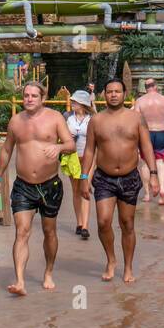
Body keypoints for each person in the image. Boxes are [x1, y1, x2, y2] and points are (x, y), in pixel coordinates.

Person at [0, 82, 76, 296]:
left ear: (42, 98)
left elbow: (70, 144)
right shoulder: (15, 121)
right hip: (23, 185)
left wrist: (58, 147)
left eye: (33, 96)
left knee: (49, 231)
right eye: (26, 95)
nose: (28, 99)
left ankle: (48, 272)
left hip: (50, 185)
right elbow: (6, 150)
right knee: (22, 231)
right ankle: (20, 280)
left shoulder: (55, 118)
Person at [80, 78, 159, 283]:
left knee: (127, 223)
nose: (113, 94)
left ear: (125, 94)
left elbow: (147, 147)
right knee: (103, 221)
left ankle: (129, 266)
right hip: (104, 178)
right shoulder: (96, 121)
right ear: (103, 95)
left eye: (117, 91)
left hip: (129, 177)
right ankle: (111, 259)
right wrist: (83, 176)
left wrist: (153, 174)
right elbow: (89, 150)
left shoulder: (136, 118)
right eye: (109, 91)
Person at [135, 77, 164, 205]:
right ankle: (162, 189)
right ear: (156, 86)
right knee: (161, 163)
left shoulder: (140, 101)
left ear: (145, 88)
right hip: (162, 133)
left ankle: (147, 193)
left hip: (146, 134)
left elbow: (135, 120)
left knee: (146, 163)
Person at [64, 88, 95, 238]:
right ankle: (79, 222)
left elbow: (97, 142)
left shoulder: (92, 119)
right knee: (76, 190)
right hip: (73, 158)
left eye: (75, 102)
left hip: (87, 159)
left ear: (82, 104)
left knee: (85, 189)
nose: (72, 104)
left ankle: (86, 226)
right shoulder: (68, 118)